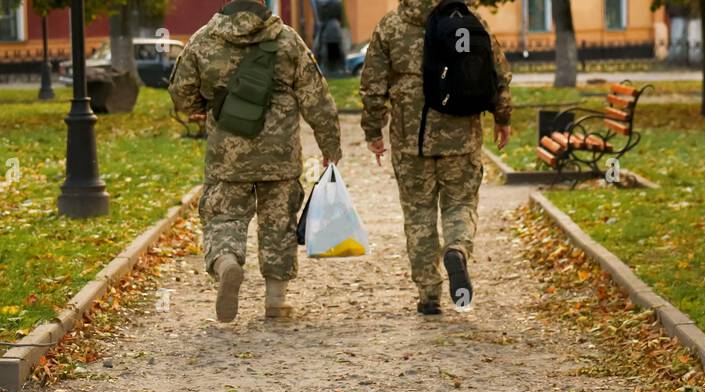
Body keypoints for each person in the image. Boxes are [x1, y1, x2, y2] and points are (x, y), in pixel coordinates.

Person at [170, 0, 342, 322]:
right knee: (278, 225)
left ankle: (227, 264)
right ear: (261, 2)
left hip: (227, 156)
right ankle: (276, 301)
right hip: (279, 156)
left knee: (223, 217)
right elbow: (316, 97)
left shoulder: (204, 40)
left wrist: (204, 105)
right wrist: (329, 144)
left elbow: (181, 93)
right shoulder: (287, 40)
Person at [359, 0, 512, 314]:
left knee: (419, 216)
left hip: (410, 139)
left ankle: (429, 294)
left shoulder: (391, 25)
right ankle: (456, 248)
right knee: (461, 203)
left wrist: (374, 130)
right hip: (462, 136)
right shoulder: (470, 20)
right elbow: (497, 73)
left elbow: (372, 86)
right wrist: (503, 117)